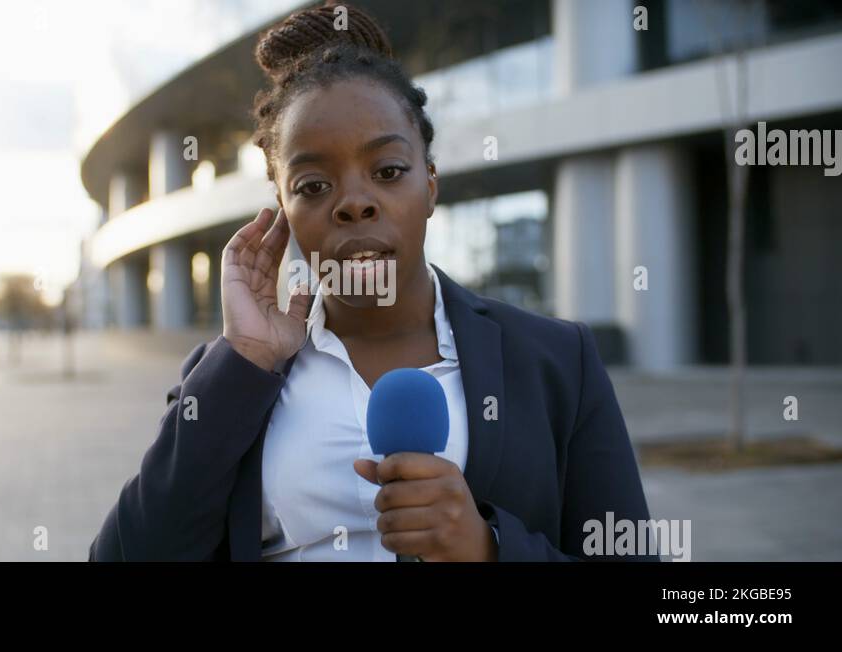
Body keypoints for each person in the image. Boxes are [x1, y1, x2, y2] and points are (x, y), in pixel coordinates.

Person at [89, 2, 657, 562]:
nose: (355, 203)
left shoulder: (558, 362)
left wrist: (488, 550)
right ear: (282, 208)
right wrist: (244, 360)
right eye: (312, 185)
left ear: (430, 186)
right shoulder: (228, 377)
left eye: (388, 172)